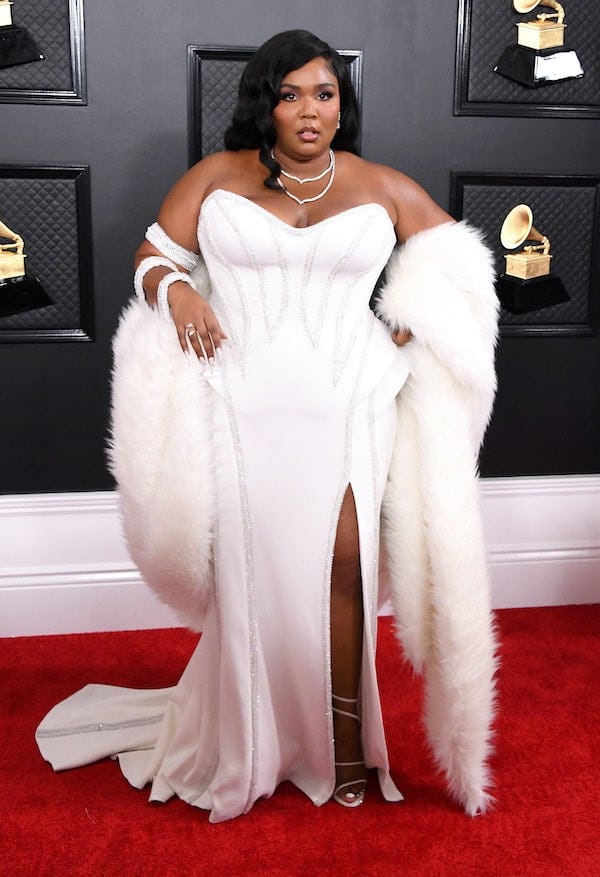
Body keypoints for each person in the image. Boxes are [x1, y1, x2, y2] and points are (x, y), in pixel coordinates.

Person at [36, 30, 499, 823]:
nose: (310, 109)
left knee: (347, 568)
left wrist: (410, 314)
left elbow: (457, 260)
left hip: (350, 403)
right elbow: (153, 253)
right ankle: (252, 740)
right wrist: (178, 294)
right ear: (266, 104)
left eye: (324, 93)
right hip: (242, 406)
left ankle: (345, 747)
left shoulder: (375, 184)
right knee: (252, 577)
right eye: (291, 95)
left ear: (340, 104)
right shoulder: (220, 178)